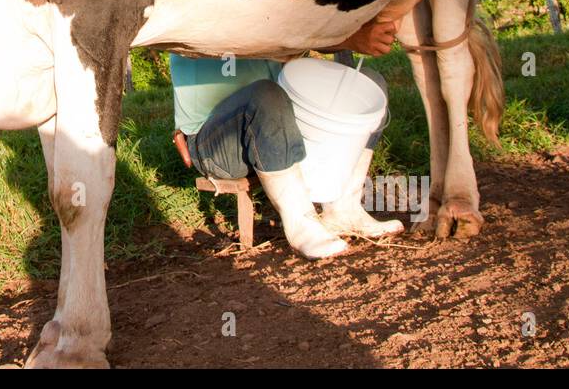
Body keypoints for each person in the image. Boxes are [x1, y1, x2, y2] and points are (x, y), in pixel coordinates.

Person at [170, 16, 402, 259]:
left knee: (368, 83)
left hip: (274, 128)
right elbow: (269, 34)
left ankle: (344, 209)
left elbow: (297, 28)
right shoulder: (198, 15)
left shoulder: (266, 8)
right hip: (214, 143)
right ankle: (301, 224)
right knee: (266, 94)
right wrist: (351, 38)